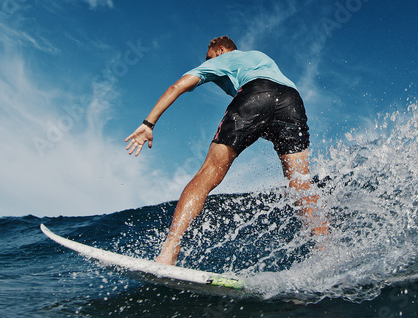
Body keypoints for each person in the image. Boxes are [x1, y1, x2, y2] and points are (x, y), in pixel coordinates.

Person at [125, 36, 327, 266]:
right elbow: (271, 103)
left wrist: (148, 124)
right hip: (292, 101)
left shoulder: (222, 60)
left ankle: (168, 253)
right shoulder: (260, 57)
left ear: (220, 50)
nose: (206, 62)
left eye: (208, 56)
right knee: (300, 185)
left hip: (256, 93)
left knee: (207, 174)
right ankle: (326, 251)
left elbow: (177, 86)